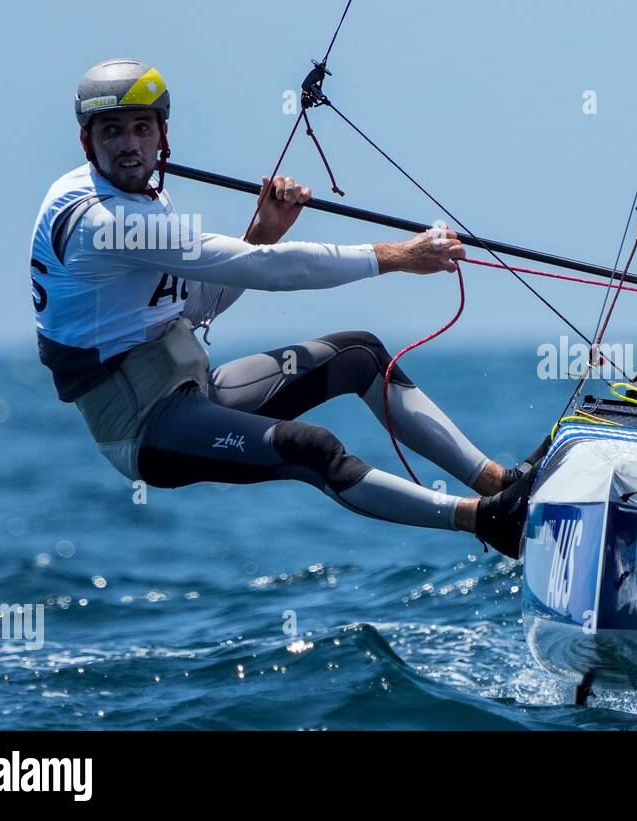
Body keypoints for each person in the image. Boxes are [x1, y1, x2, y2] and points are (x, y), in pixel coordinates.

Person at [29, 58, 544, 558]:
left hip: (191, 388)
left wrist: (262, 233)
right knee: (309, 448)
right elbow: (271, 271)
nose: (129, 145)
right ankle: (489, 520)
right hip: (145, 430)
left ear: (163, 135)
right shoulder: (104, 222)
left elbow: (198, 306)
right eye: (112, 131)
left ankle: (499, 483)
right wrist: (398, 257)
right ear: (86, 142)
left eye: (142, 128)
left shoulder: (142, 198)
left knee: (360, 355)